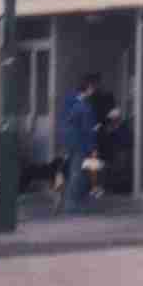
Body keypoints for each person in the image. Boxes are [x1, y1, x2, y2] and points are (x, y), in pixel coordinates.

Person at [59, 74, 99, 213]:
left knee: (78, 172)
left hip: (71, 143)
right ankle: (71, 204)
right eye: (93, 88)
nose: (93, 91)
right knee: (78, 173)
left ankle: (74, 202)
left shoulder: (70, 102)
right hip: (80, 145)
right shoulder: (83, 107)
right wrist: (93, 147)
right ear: (88, 88)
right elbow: (88, 129)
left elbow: (66, 124)